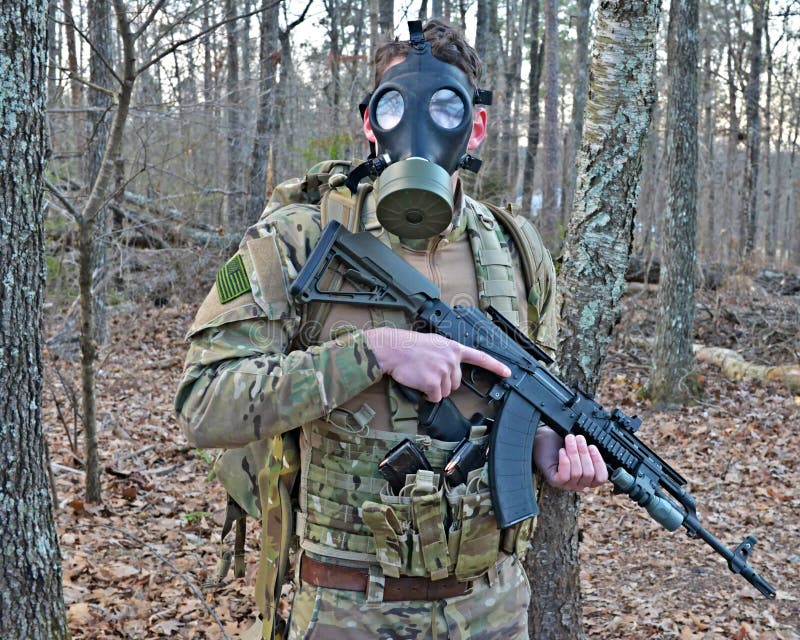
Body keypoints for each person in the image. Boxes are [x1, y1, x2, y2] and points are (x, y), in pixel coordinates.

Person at [175, 18, 607, 640]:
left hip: (490, 606)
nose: (420, 128)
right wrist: (371, 352)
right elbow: (202, 403)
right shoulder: (299, 240)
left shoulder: (517, 251)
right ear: (371, 121)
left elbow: (517, 399)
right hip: (347, 604)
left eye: (446, 107)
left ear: (476, 125)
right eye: (397, 104)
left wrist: (545, 450)